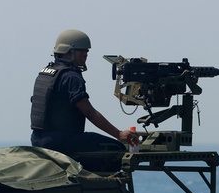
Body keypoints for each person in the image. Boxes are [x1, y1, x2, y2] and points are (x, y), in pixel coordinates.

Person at [30, 29, 139, 171]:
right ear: (68, 51)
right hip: (60, 141)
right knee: (115, 148)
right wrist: (119, 134)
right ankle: (99, 188)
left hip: (38, 140)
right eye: (81, 51)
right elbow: (89, 112)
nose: (85, 55)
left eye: (86, 51)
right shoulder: (71, 77)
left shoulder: (46, 74)